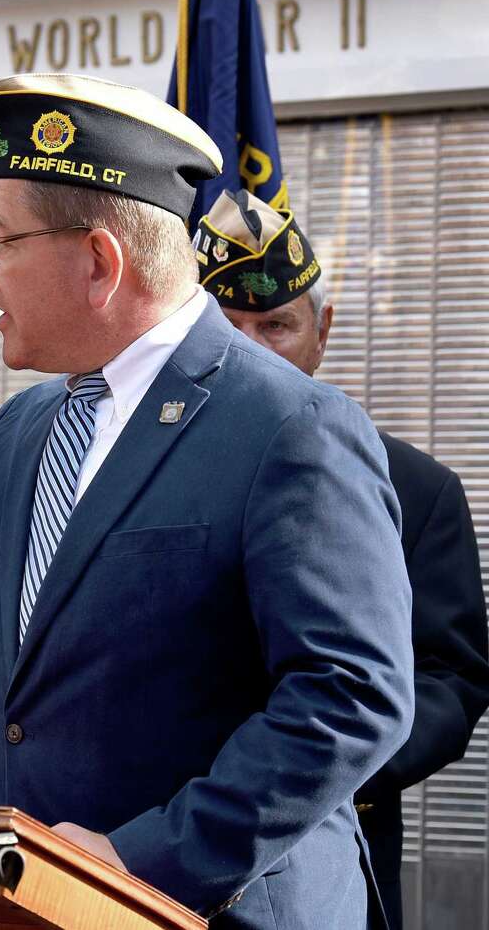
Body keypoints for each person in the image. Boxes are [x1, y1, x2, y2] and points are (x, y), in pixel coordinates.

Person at [0, 73, 415, 927]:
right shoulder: (26, 427)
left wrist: (135, 863)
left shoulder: (290, 425)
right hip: (24, 909)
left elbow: (352, 695)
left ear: (100, 263)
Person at [196, 188, 489, 929]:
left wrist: (331, 764)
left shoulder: (415, 488)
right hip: (143, 843)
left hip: (327, 842)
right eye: (226, 326)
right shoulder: (134, 470)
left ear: (321, 330)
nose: (251, 349)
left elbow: (451, 678)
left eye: (276, 325)